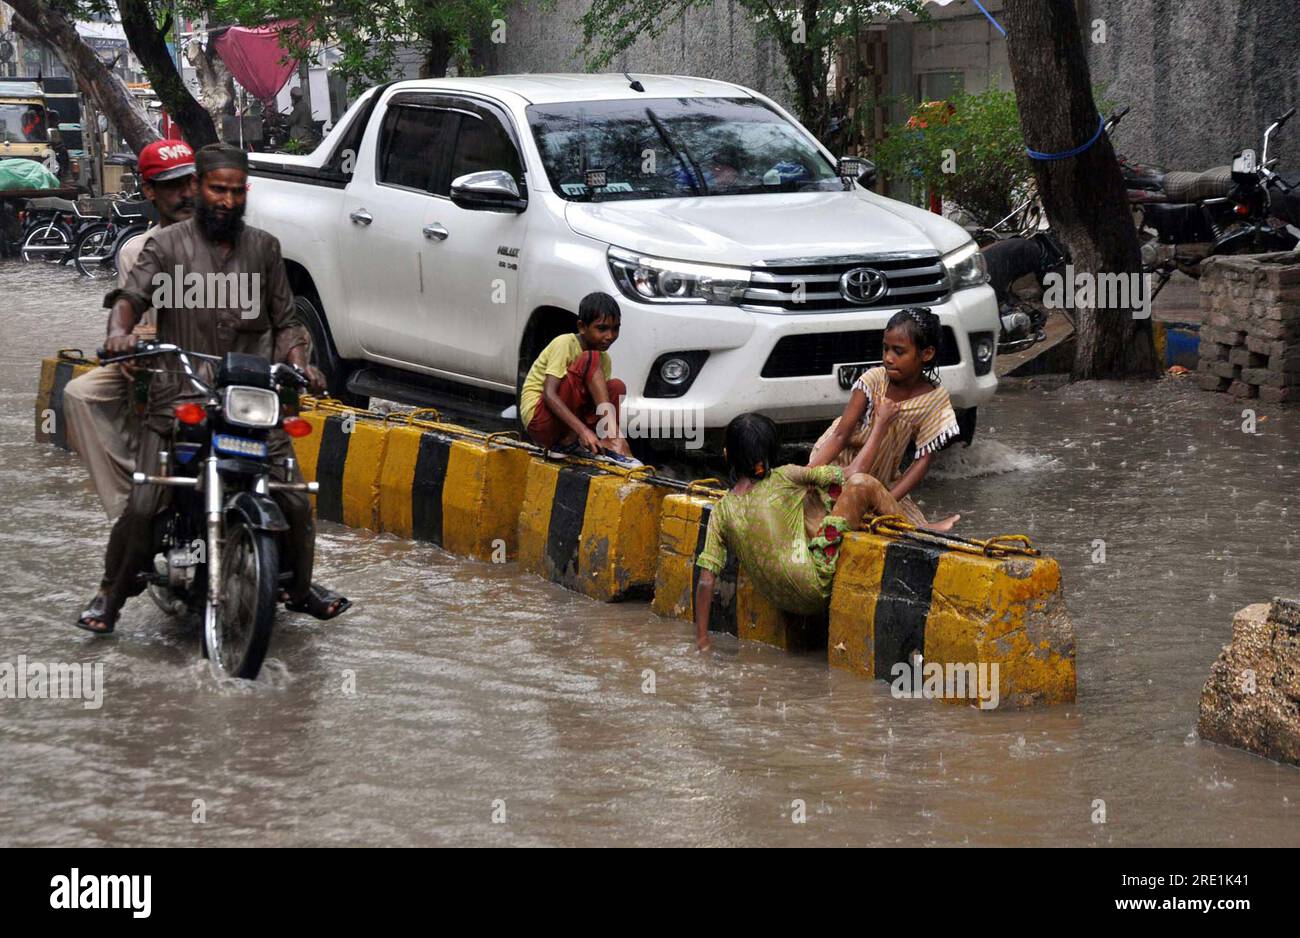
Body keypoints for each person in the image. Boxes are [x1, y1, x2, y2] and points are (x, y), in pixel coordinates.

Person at [78, 143, 348, 634]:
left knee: (294, 498)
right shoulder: (164, 246)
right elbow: (130, 297)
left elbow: (287, 322)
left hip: (251, 395)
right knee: (145, 503)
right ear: (201, 188)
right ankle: (110, 595)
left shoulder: (265, 249)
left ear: (247, 193)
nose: (226, 200)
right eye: (217, 189)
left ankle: (300, 586)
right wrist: (118, 333)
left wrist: (300, 362)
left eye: (236, 191)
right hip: (179, 394)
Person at [693, 413, 929, 651]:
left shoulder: (721, 511)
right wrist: (880, 424)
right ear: (772, 453)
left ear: (726, 454)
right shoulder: (785, 477)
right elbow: (855, 471)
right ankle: (914, 533)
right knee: (861, 484)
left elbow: (705, 580)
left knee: (811, 499)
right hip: (815, 587)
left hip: (781, 601)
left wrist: (702, 640)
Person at [65, 139, 198, 523]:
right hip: (160, 360)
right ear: (149, 191)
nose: (186, 193)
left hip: (218, 360)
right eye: (173, 185)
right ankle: (131, 504)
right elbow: (133, 319)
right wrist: (126, 343)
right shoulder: (134, 252)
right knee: (80, 393)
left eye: (190, 182)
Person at [807, 307, 963, 529]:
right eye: (886, 349)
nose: (888, 358)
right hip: (841, 462)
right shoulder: (874, 381)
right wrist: (809, 472)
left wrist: (886, 499)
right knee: (827, 514)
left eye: (899, 352)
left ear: (926, 354)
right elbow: (841, 434)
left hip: (881, 475)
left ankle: (921, 525)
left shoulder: (934, 400)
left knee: (900, 526)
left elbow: (923, 462)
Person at [519, 292, 636, 460]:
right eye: (602, 328)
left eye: (615, 328)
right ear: (582, 327)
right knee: (590, 357)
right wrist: (584, 431)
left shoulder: (604, 359)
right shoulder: (565, 343)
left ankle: (596, 441)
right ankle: (608, 437)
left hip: (567, 426)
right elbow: (549, 394)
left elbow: (597, 402)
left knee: (616, 386)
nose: (610, 336)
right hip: (540, 420)